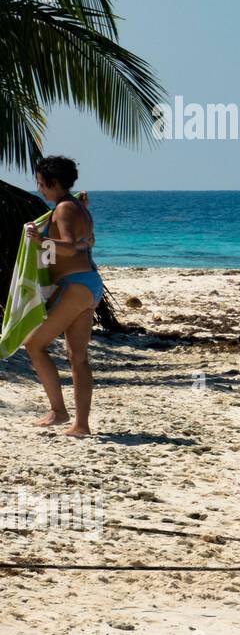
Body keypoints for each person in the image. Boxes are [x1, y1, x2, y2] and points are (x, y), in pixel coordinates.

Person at [22, 156, 101, 437]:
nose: (39, 189)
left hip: (75, 286)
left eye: (42, 184)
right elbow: (85, 243)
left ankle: (59, 411)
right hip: (89, 284)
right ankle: (81, 425)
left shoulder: (65, 209)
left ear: (55, 183)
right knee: (77, 356)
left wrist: (39, 240)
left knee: (34, 345)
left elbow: (67, 247)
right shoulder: (79, 207)